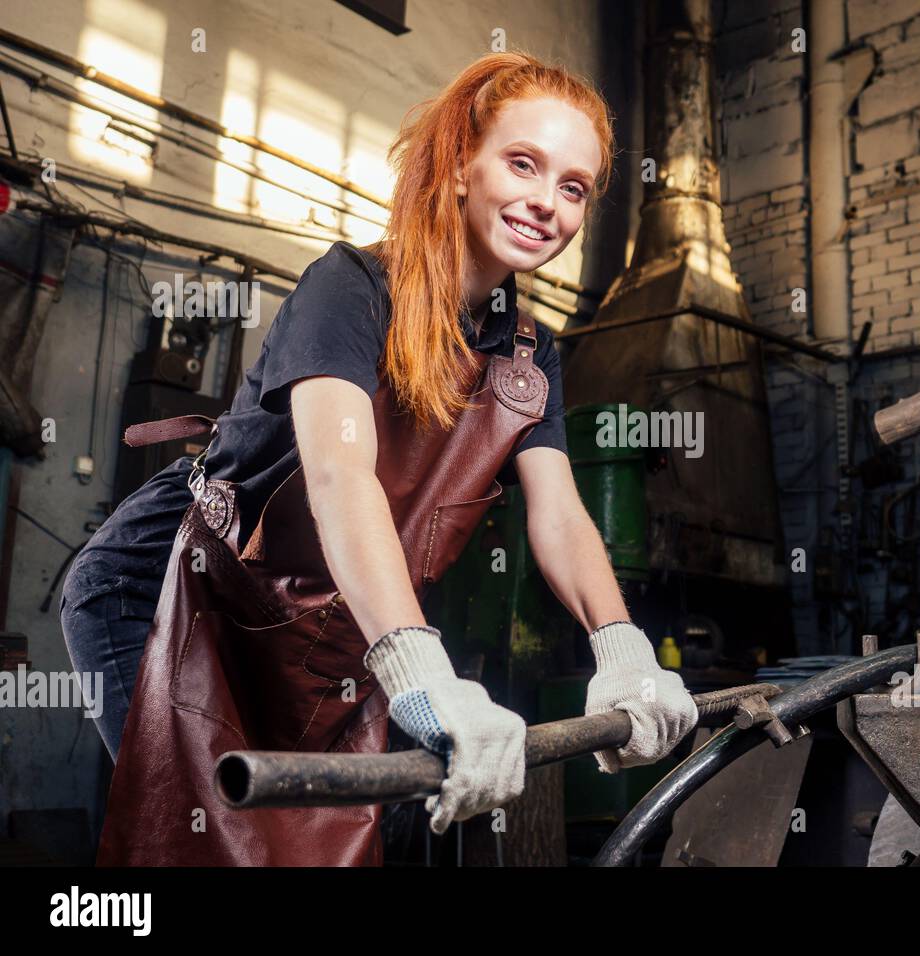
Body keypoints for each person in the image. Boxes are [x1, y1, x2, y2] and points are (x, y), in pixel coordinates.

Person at [61, 50, 697, 855]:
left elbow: (562, 512)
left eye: (573, 186)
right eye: (523, 163)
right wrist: (424, 678)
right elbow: (339, 477)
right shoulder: (352, 287)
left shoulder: (531, 353)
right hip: (165, 596)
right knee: (201, 843)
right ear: (463, 165)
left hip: (319, 631)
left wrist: (622, 647)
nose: (546, 202)